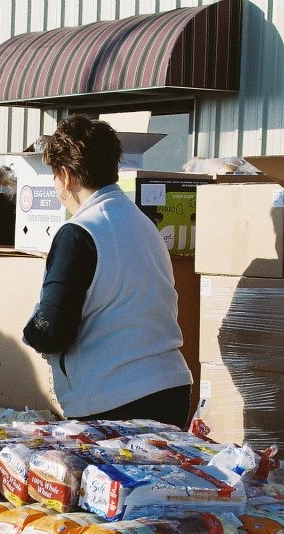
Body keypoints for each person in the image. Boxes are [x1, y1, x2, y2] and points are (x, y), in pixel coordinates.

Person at [23, 114, 193, 429]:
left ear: (65, 175)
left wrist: (30, 331)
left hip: (115, 399)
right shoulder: (142, 223)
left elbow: (52, 328)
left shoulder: (79, 233)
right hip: (171, 387)